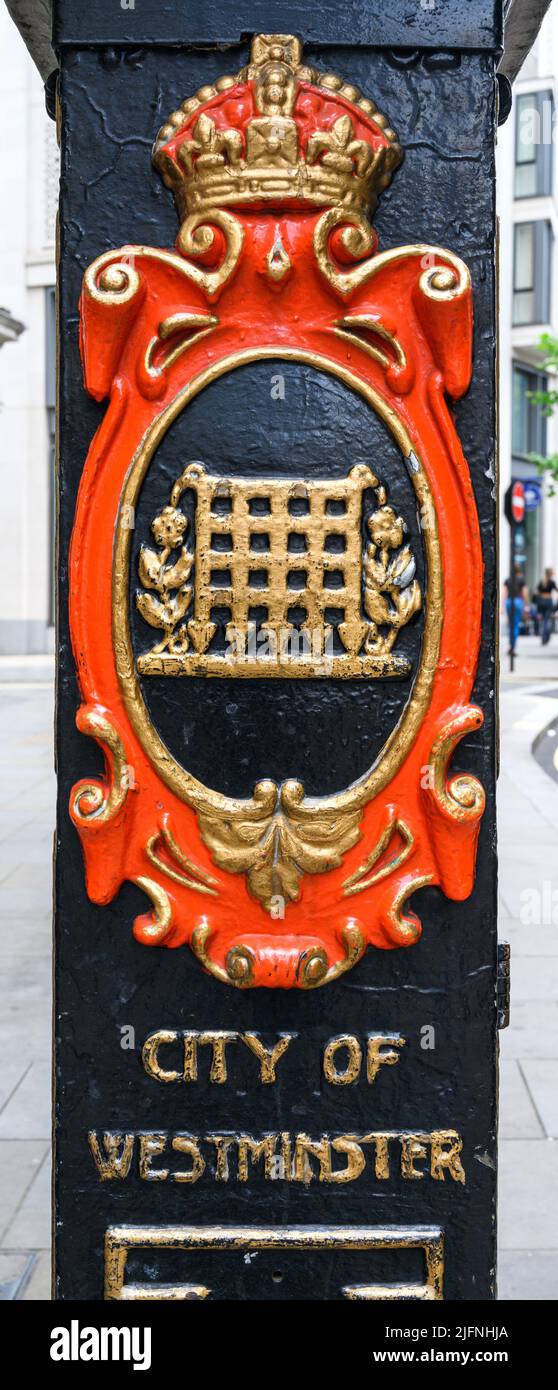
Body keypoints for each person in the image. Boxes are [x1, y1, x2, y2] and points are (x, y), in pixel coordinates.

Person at [503, 566, 527, 654]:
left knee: (511, 625)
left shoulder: (508, 579)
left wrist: (502, 606)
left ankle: (510, 645)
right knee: (516, 625)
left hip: (509, 601)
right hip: (517, 601)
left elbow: (504, 593)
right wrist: (525, 604)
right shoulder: (521, 580)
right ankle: (513, 646)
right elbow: (524, 593)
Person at [536, 567, 557, 646]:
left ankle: (543, 638)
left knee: (542, 621)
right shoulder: (552, 582)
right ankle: (545, 638)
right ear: (550, 573)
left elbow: (537, 592)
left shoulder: (541, 581)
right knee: (547, 621)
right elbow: (556, 590)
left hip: (541, 602)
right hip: (548, 601)